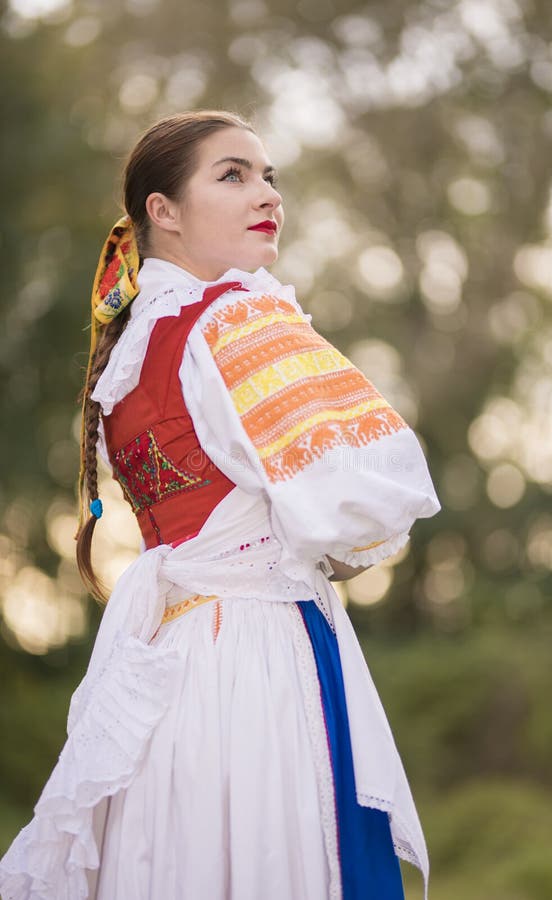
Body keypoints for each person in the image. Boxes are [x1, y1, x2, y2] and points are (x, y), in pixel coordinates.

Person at [0, 110, 441, 900]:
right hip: (261, 657)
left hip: (172, 668)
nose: (265, 193)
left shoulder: (131, 357)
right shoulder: (241, 317)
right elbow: (368, 500)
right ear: (161, 211)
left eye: (269, 175)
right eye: (232, 174)